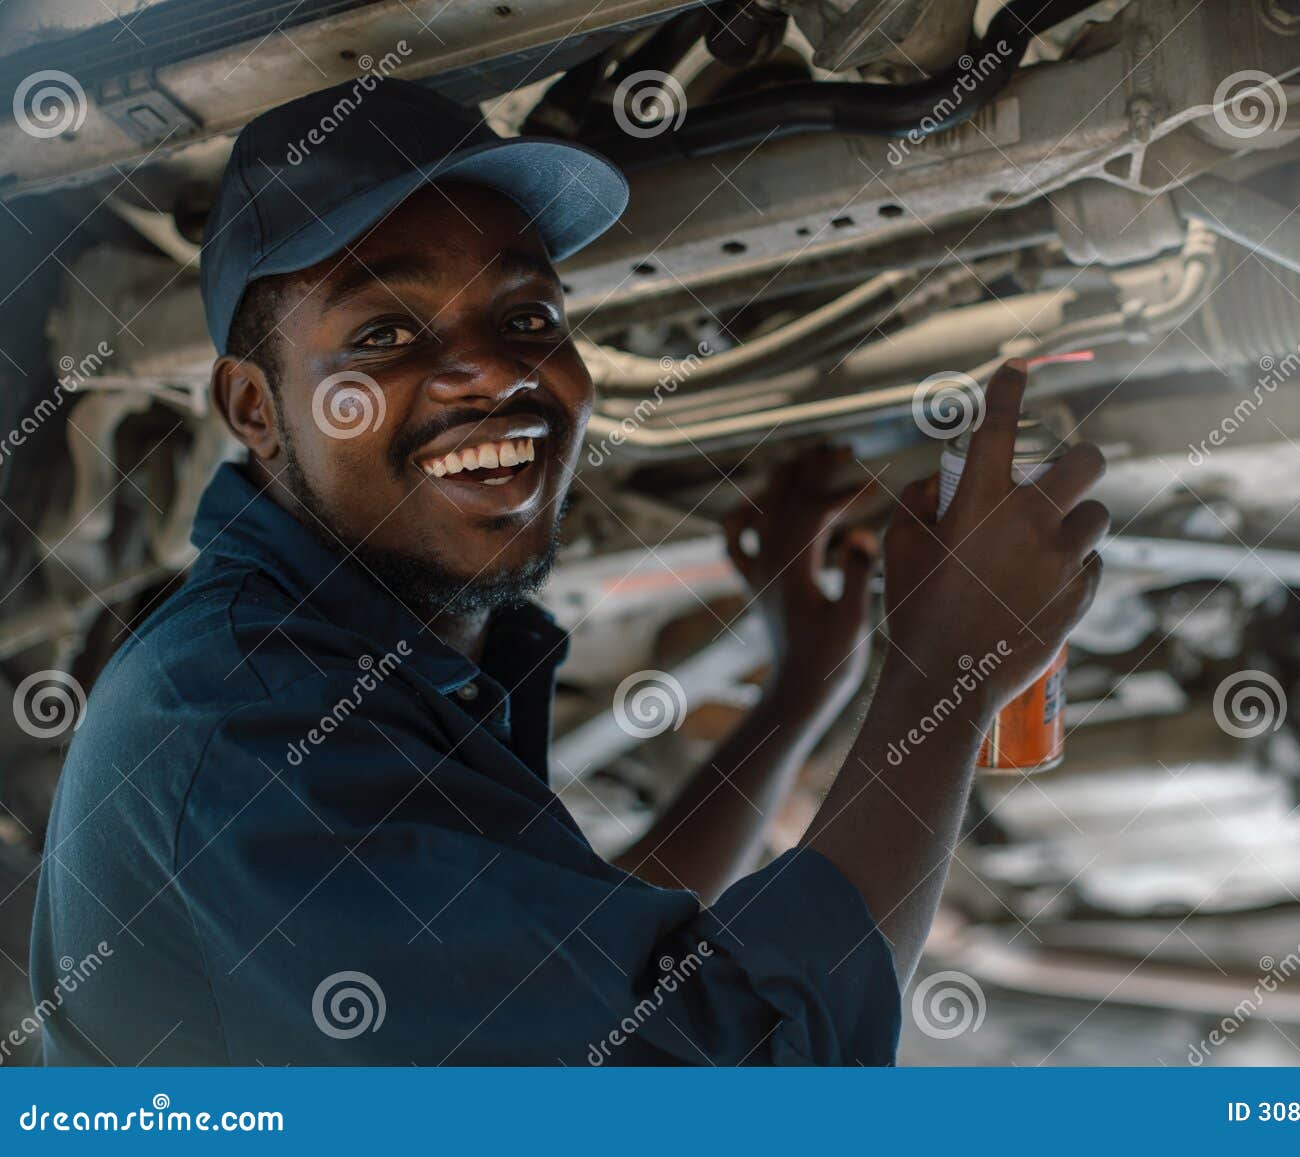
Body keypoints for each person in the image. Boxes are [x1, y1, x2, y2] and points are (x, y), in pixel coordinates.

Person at [30, 79, 1106, 1065]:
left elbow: (588, 974)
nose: (496, 368)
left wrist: (803, 687)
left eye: (528, 317)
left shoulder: (309, 661)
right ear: (254, 409)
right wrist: (941, 674)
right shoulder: (239, 723)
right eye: (387, 330)